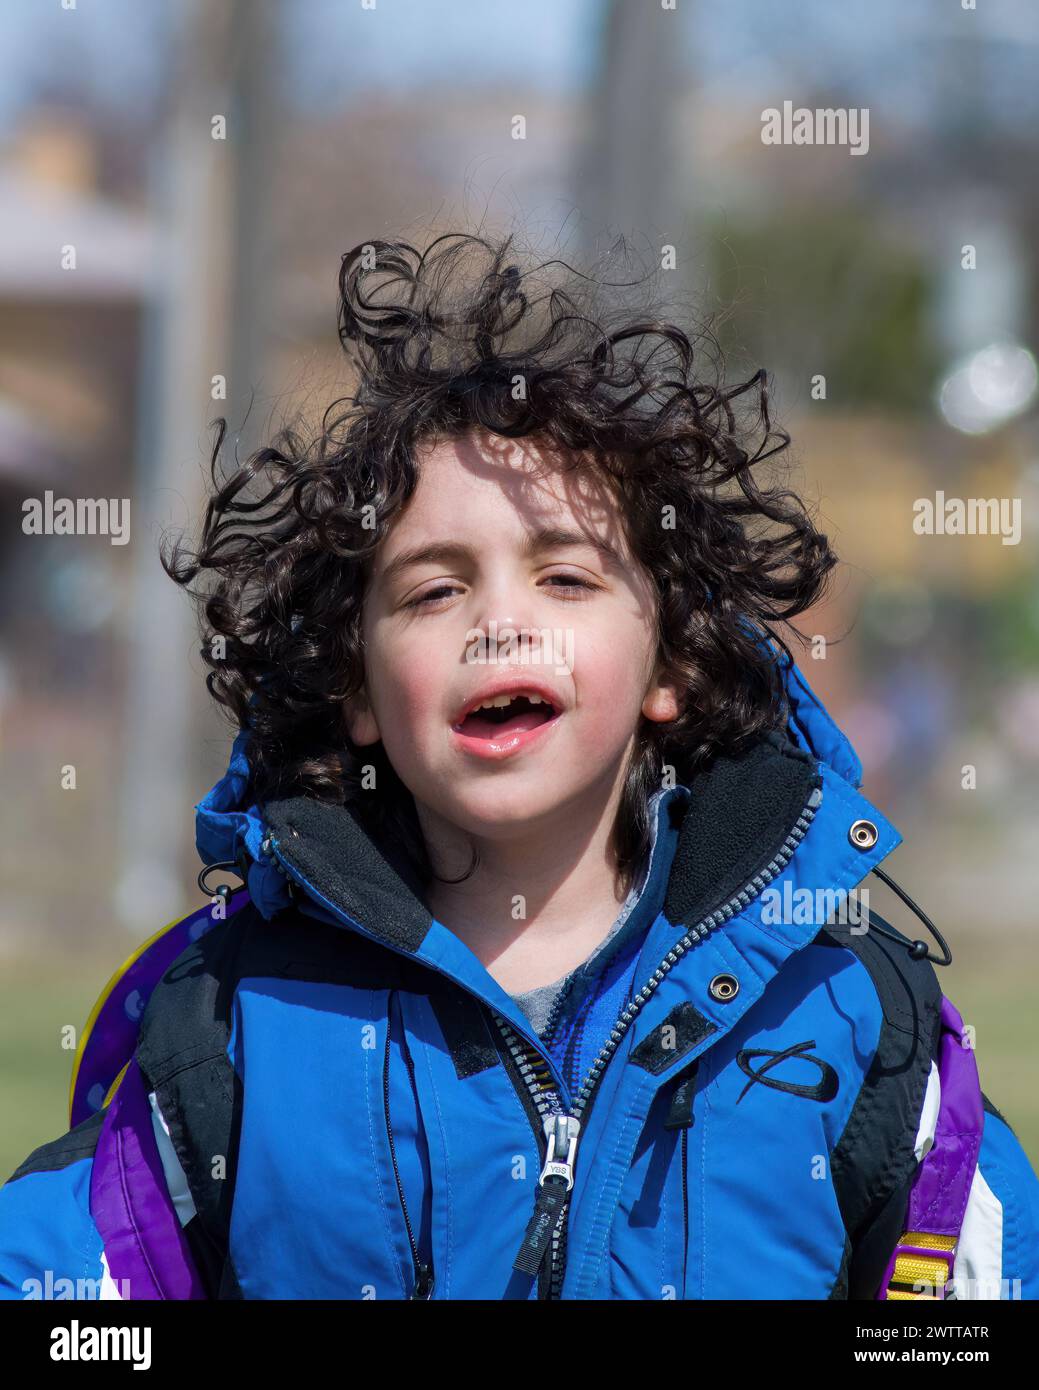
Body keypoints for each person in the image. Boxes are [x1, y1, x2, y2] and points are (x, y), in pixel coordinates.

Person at [2, 231, 1037, 1301]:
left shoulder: (848, 1013)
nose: (500, 623)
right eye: (433, 591)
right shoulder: (233, 1022)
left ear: (667, 663)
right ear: (356, 689)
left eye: (564, 579)